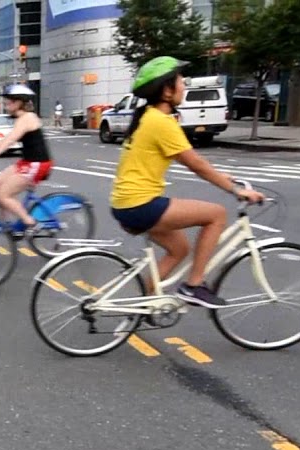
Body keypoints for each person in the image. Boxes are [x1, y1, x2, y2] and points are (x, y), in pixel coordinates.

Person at [108, 56, 264, 309]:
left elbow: (195, 162)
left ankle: (143, 305)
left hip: (127, 203)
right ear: (167, 90)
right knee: (217, 214)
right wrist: (235, 190)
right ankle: (194, 286)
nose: (184, 86)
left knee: (179, 250)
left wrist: (224, 177)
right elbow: (196, 164)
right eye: (180, 81)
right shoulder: (161, 122)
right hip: (141, 204)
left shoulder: (148, 116)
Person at [0, 84, 51, 239]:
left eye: (9, 102)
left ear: (19, 102)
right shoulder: (21, 119)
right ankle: (7, 224)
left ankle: (31, 223)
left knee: (3, 194)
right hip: (26, 162)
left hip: (38, 164)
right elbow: (7, 137)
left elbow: (10, 141)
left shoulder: (28, 118)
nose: (6, 105)